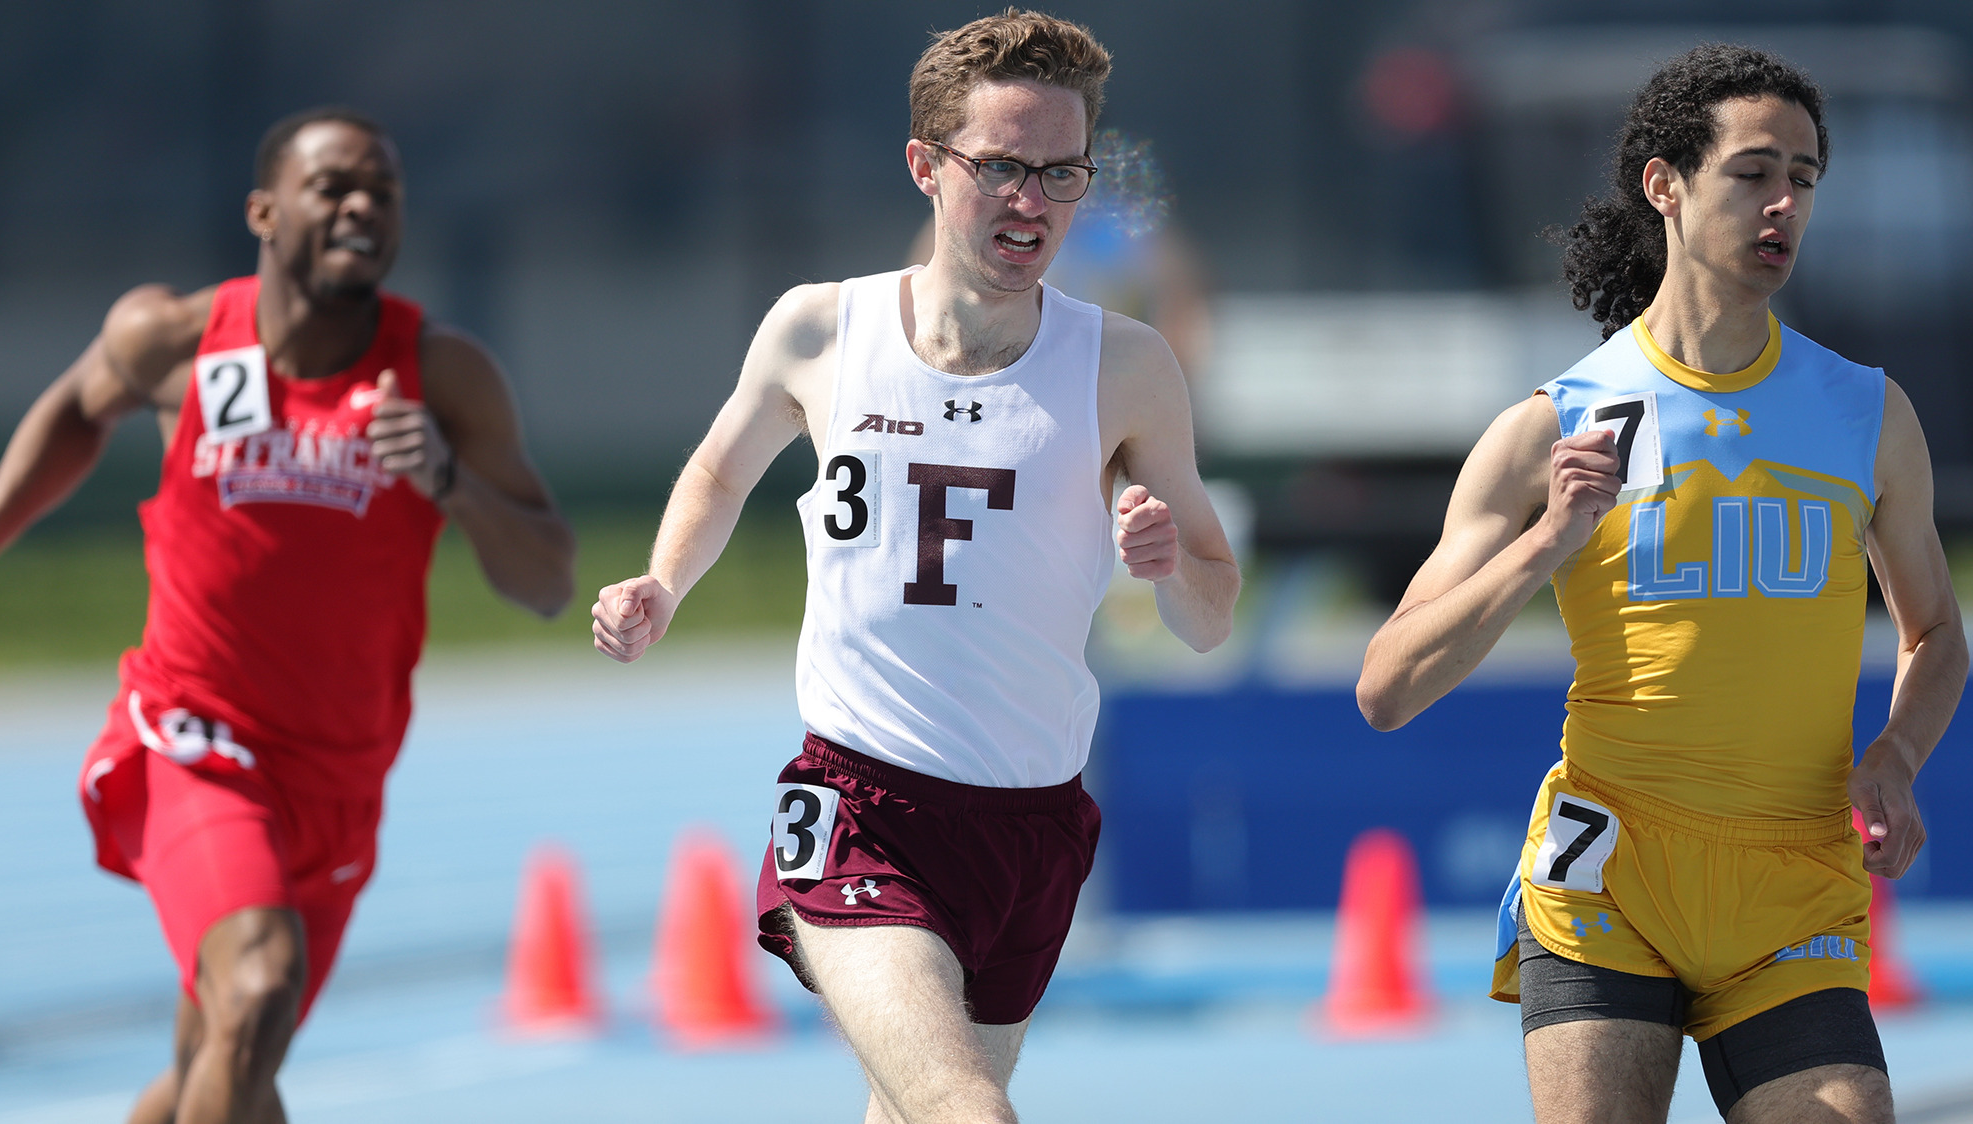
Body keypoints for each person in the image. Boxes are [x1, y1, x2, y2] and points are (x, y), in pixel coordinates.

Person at [592, 10, 1238, 1122]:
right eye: (999, 168)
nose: (1032, 201)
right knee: (960, 1108)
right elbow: (717, 469)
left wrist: (1167, 559)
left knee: (911, 1112)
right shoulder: (820, 330)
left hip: (1029, 826)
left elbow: (1209, 614)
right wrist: (661, 581)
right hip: (858, 803)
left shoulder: (1124, 366)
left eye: (1061, 172)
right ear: (925, 167)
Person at [1356, 45, 1964, 1124]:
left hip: (1791, 891)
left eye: (1805, 178)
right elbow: (1387, 686)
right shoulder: (1551, 424)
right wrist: (1547, 538)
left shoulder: (1866, 411)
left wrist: (1896, 752)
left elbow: (1931, 632)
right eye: (1752, 172)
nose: (1782, 202)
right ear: (1664, 185)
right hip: (1607, 882)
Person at [0, 108, 575, 1124]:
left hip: (339, 777)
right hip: (193, 735)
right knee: (256, 985)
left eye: (380, 193)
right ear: (263, 210)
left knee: (220, 1056)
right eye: (334, 185)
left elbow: (549, 577)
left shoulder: (441, 376)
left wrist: (444, 477)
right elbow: (80, 407)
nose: (361, 208)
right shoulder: (173, 337)